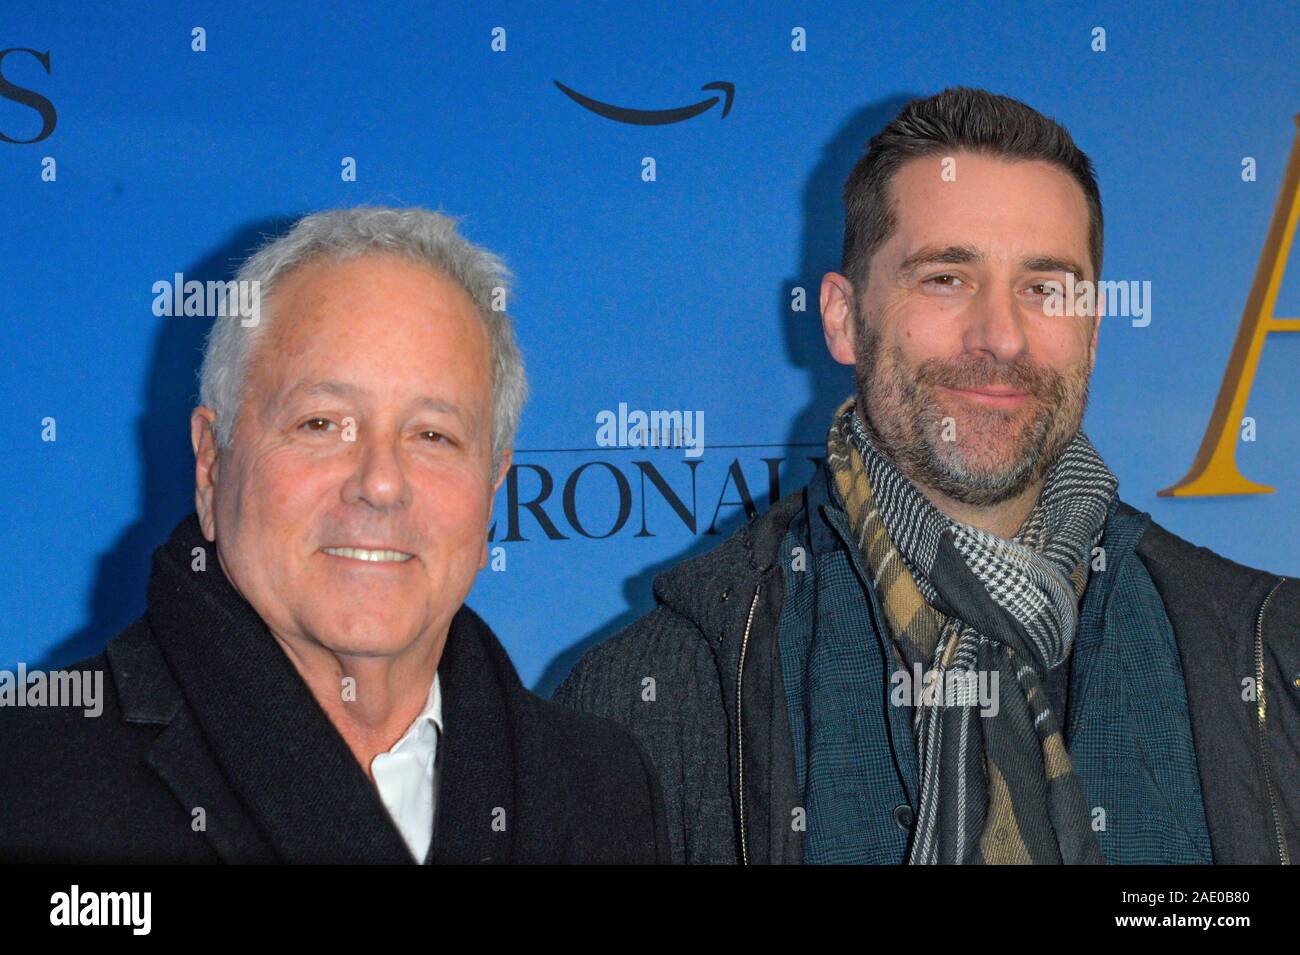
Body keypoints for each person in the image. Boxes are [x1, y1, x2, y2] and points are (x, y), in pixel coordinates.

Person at [555, 88, 1300, 865]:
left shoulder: (1266, 656)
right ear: (843, 318)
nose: (1002, 336)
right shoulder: (660, 698)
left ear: (1092, 329)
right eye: (946, 277)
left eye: (1045, 287)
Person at [0, 207, 667, 864]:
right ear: (211, 462)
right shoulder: (28, 777)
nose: (381, 482)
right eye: (321, 423)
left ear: (493, 481)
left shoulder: (602, 789)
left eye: (433, 434)